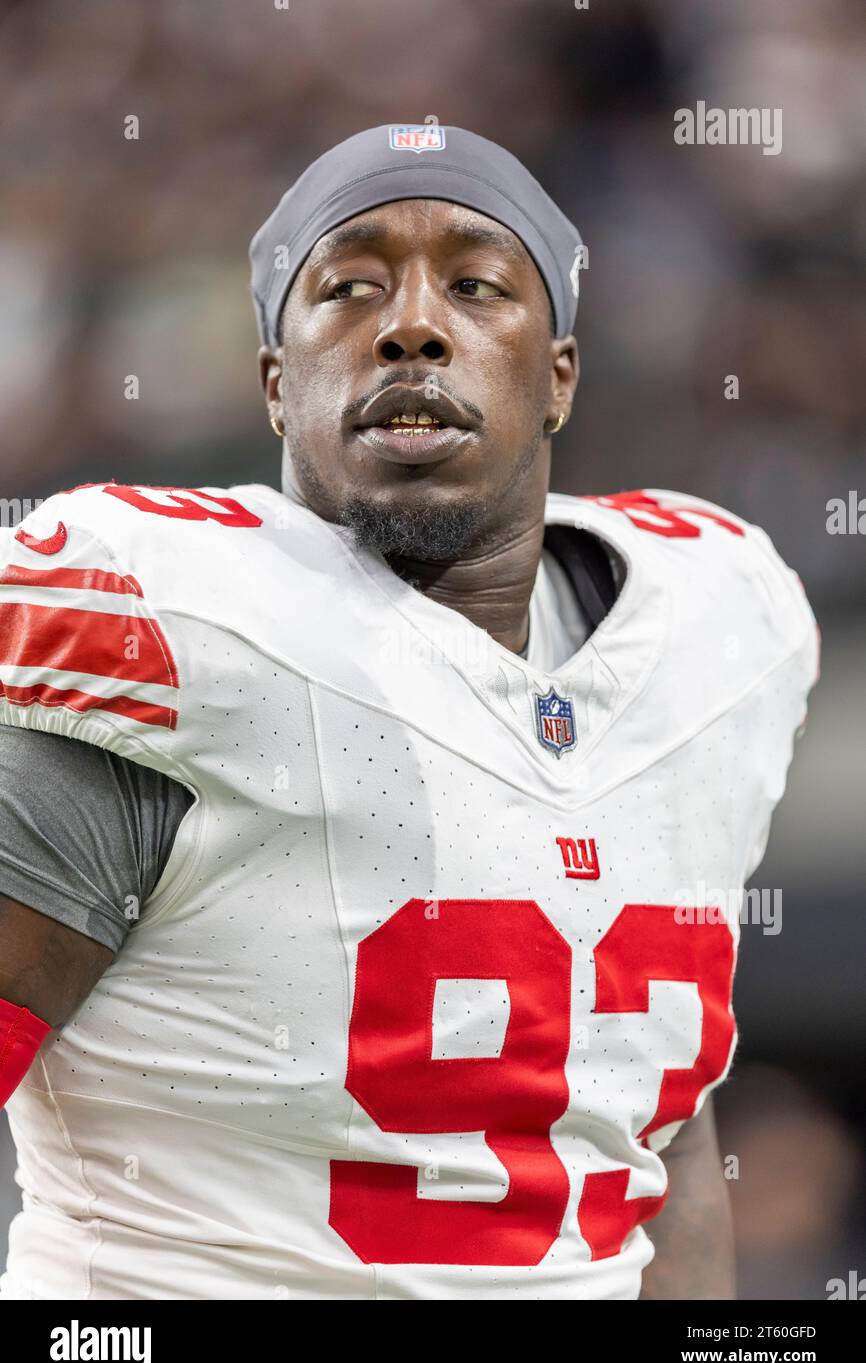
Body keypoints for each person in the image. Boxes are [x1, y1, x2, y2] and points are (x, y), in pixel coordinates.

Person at [0, 122, 818, 1300]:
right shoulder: (173, 632)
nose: (413, 325)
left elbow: (652, 1132)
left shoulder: (715, 630)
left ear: (558, 375)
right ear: (278, 388)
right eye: (348, 287)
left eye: (478, 285)